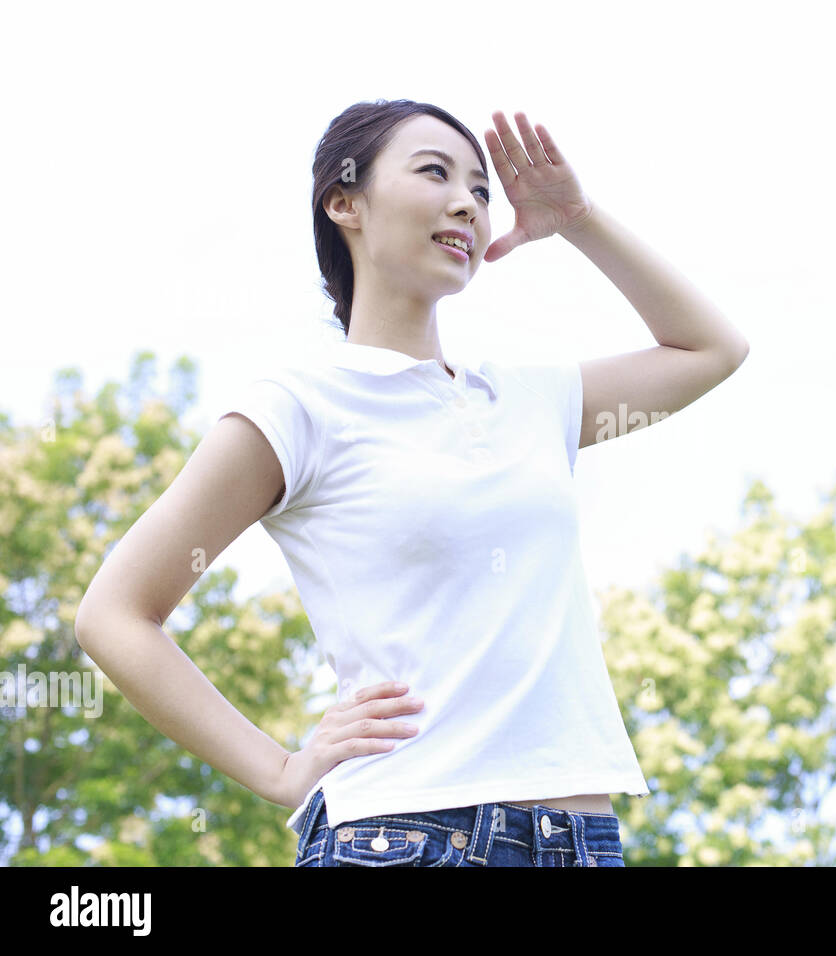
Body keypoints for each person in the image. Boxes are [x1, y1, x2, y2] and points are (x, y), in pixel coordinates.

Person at [74, 99, 749, 867]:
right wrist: (279, 770)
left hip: (581, 840)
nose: (468, 200)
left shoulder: (527, 398)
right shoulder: (300, 406)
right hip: (406, 837)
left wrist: (579, 218)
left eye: (482, 189)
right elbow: (115, 614)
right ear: (345, 201)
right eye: (435, 172)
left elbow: (711, 349)